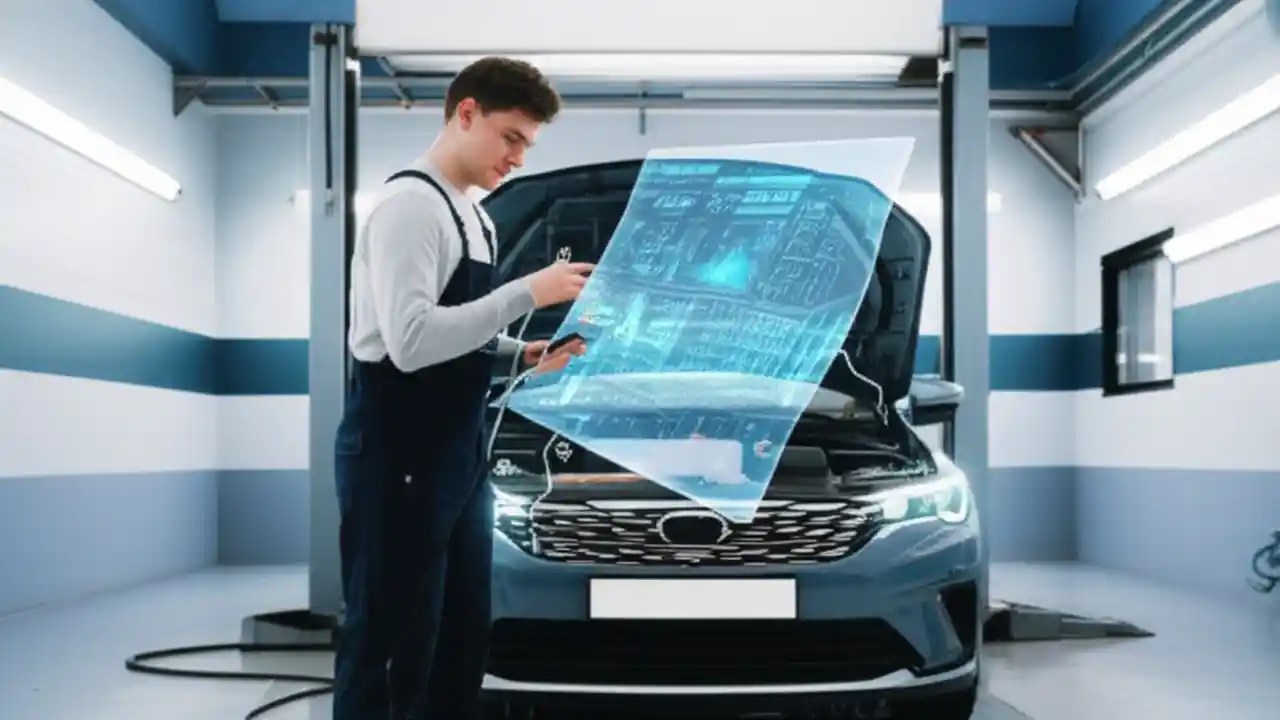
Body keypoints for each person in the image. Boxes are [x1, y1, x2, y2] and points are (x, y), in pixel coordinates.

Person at [332, 56, 591, 719]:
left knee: (457, 631)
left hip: (457, 452)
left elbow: (460, 336)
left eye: (528, 145)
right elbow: (412, 342)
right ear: (466, 113)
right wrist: (526, 293)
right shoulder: (410, 208)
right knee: (390, 637)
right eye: (511, 137)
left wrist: (521, 356)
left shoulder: (477, 218)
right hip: (397, 451)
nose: (519, 158)